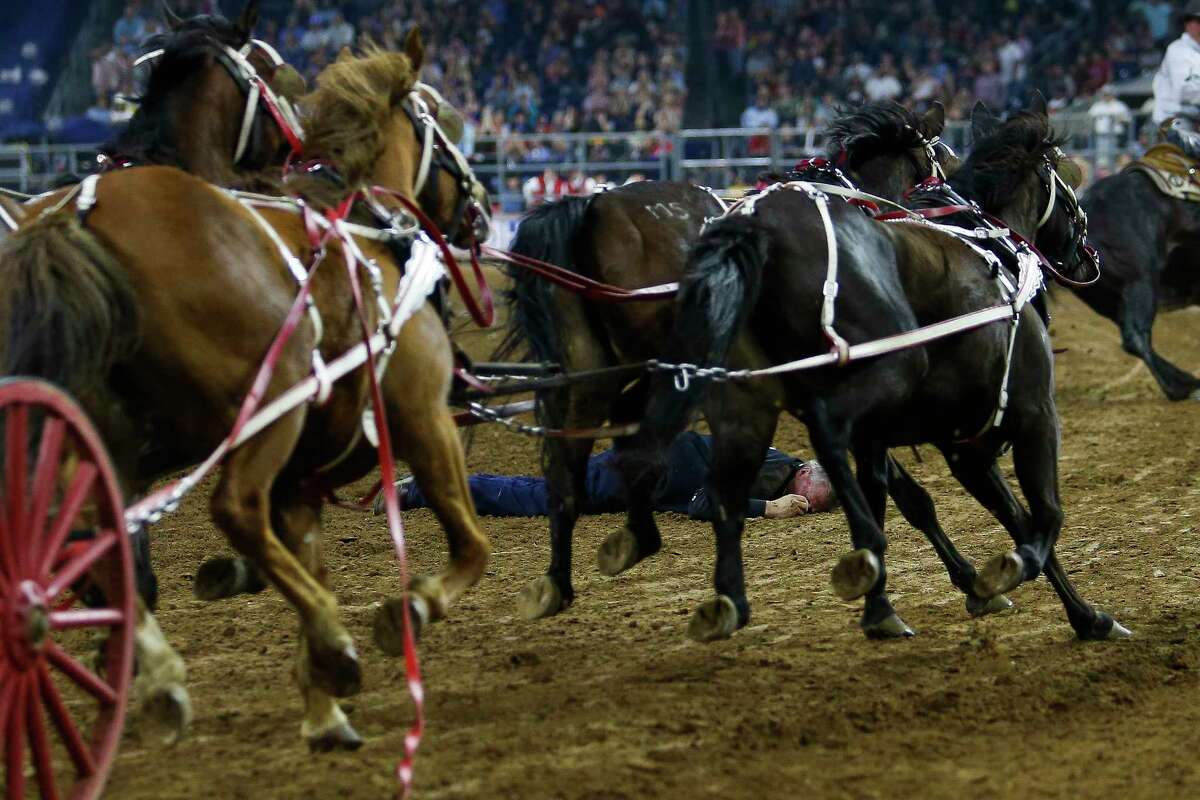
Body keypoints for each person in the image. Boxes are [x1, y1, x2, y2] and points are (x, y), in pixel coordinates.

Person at [375, 431, 837, 521]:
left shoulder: (772, 458)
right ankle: (426, 489)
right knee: (542, 498)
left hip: (652, 458)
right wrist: (768, 509)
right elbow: (703, 503)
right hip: (644, 471)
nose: (806, 507)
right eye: (809, 499)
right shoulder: (767, 473)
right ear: (803, 476)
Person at [1152, 1, 1200, 156]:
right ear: (1188, 24)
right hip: (1176, 125)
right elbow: (1185, 92)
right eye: (1198, 21)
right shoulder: (1178, 51)